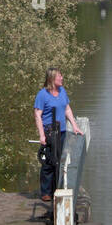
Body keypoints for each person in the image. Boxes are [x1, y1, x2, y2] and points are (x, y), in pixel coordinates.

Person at [33, 68, 83, 206]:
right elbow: (37, 115)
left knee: (59, 160)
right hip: (49, 131)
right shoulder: (42, 95)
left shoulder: (62, 92)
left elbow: (67, 109)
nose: (62, 78)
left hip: (61, 131)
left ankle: (56, 188)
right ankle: (46, 193)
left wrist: (74, 125)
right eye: (59, 76)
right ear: (52, 79)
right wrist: (42, 135)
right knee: (49, 161)